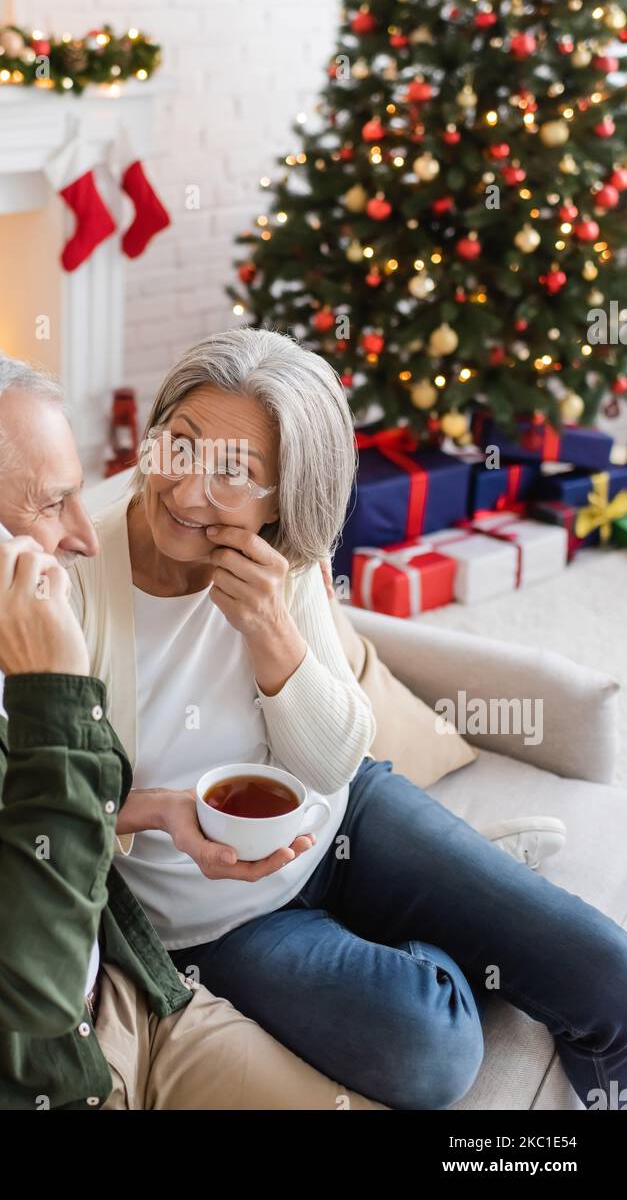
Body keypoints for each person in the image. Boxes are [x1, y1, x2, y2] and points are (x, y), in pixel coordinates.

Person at [0, 344, 378, 1112]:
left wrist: (151, 810)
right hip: (13, 1077)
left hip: (127, 994)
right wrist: (55, 686)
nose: (85, 538)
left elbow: (36, 826)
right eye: (52, 503)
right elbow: (32, 987)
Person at [69, 327, 627, 1110]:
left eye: (234, 472)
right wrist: (158, 813)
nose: (187, 489)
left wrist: (272, 634)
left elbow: (331, 763)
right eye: (179, 445)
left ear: (281, 500)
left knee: (607, 972)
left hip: (342, 818)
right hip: (217, 919)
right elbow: (35, 795)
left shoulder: (279, 556)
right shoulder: (68, 566)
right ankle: (459, 925)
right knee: (429, 1050)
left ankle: (454, 909)